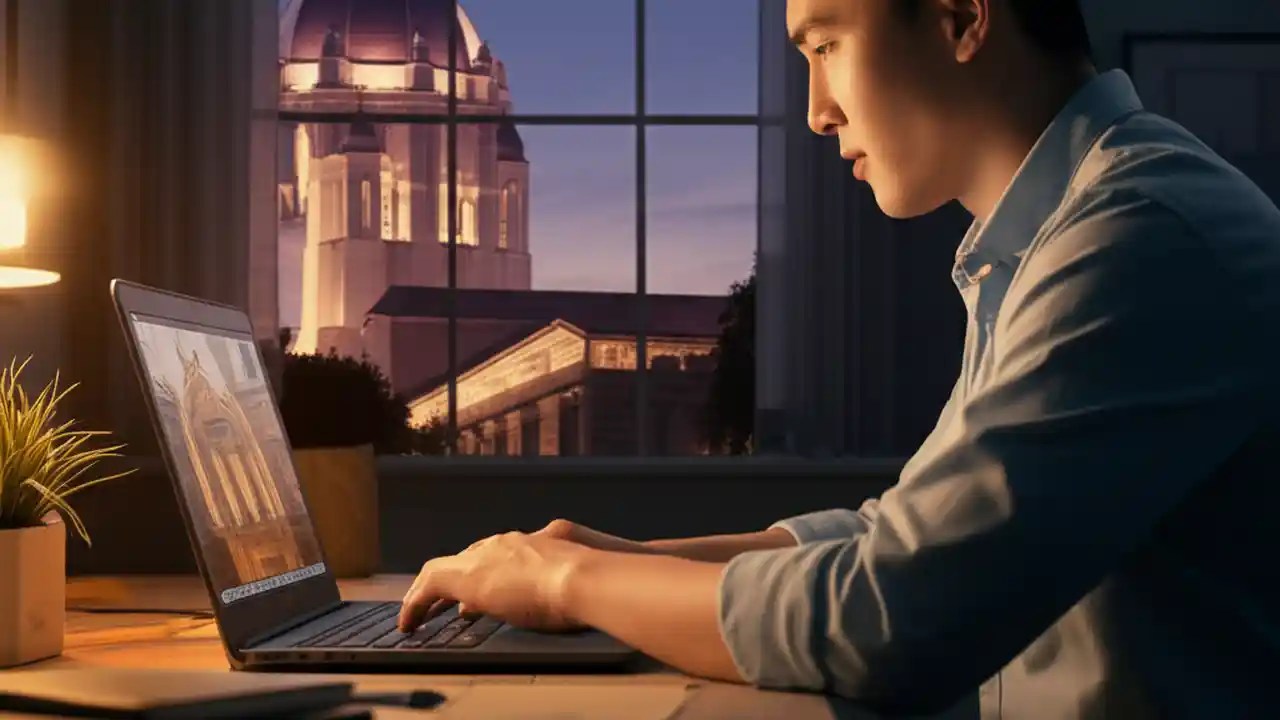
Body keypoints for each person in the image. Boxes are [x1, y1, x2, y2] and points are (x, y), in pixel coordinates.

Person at [397, 0, 1280, 716]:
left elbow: (896, 614)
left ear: (961, 19)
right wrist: (627, 561)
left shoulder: (1137, 238)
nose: (818, 110)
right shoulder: (1054, 237)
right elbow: (901, 536)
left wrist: (571, 584)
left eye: (826, 44)